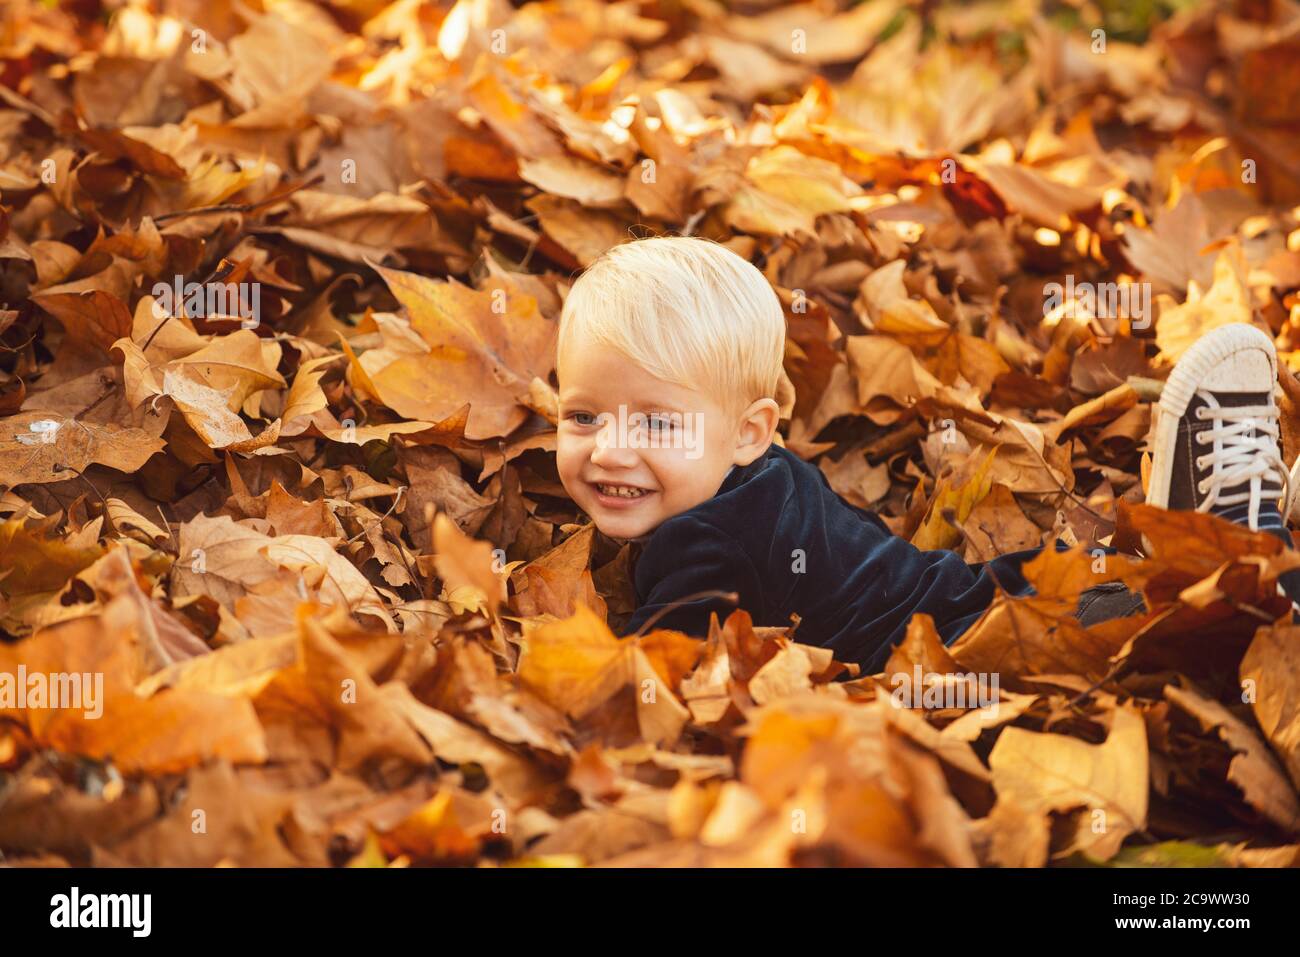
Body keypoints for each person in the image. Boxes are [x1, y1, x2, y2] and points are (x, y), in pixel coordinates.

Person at [554, 236, 1300, 672]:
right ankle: (1240, 538)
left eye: (656, 426)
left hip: (948, 644)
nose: (610, 451)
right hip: (948, 594)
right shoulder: (750, 474)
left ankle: (1230, 553)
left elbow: (668, 674)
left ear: (751, 430)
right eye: (583, 415)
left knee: (1092, 621)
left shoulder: (700, 539)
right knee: (1066, 595)